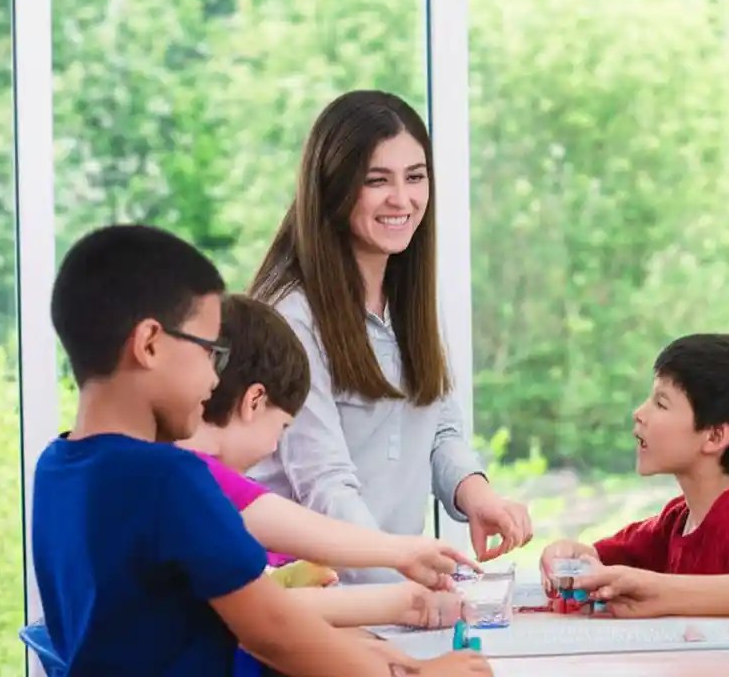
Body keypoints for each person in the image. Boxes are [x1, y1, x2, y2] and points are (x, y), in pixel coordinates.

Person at [33, 224, 489, 676]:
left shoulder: (56, 470)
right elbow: (274, 630)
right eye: (209, 352)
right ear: (150, 344)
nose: (215, 380)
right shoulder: (168, 479)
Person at [248, 90, 531, 583]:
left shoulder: (411, 300)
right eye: (377, 181)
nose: (402, 199)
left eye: (415, 177)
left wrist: (478, 494)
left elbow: (439, 429)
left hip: (389, 593)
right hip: (311, 594)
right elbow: (325, 485)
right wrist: (404, 580)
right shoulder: (292, 317)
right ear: (334, 188)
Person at [179, 294, 476, 629]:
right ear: (255, 400)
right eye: (283, 427)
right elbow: (266, 606)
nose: (276, 445)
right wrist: (408, 593)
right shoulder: (190, 480)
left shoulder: (191, 478)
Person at [539, 333, 729, 616]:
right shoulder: (677, 519)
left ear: (715, 436)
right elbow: (604, 557)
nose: (639, 413)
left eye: (661, 403)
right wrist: (571, 555)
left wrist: (659, 591)